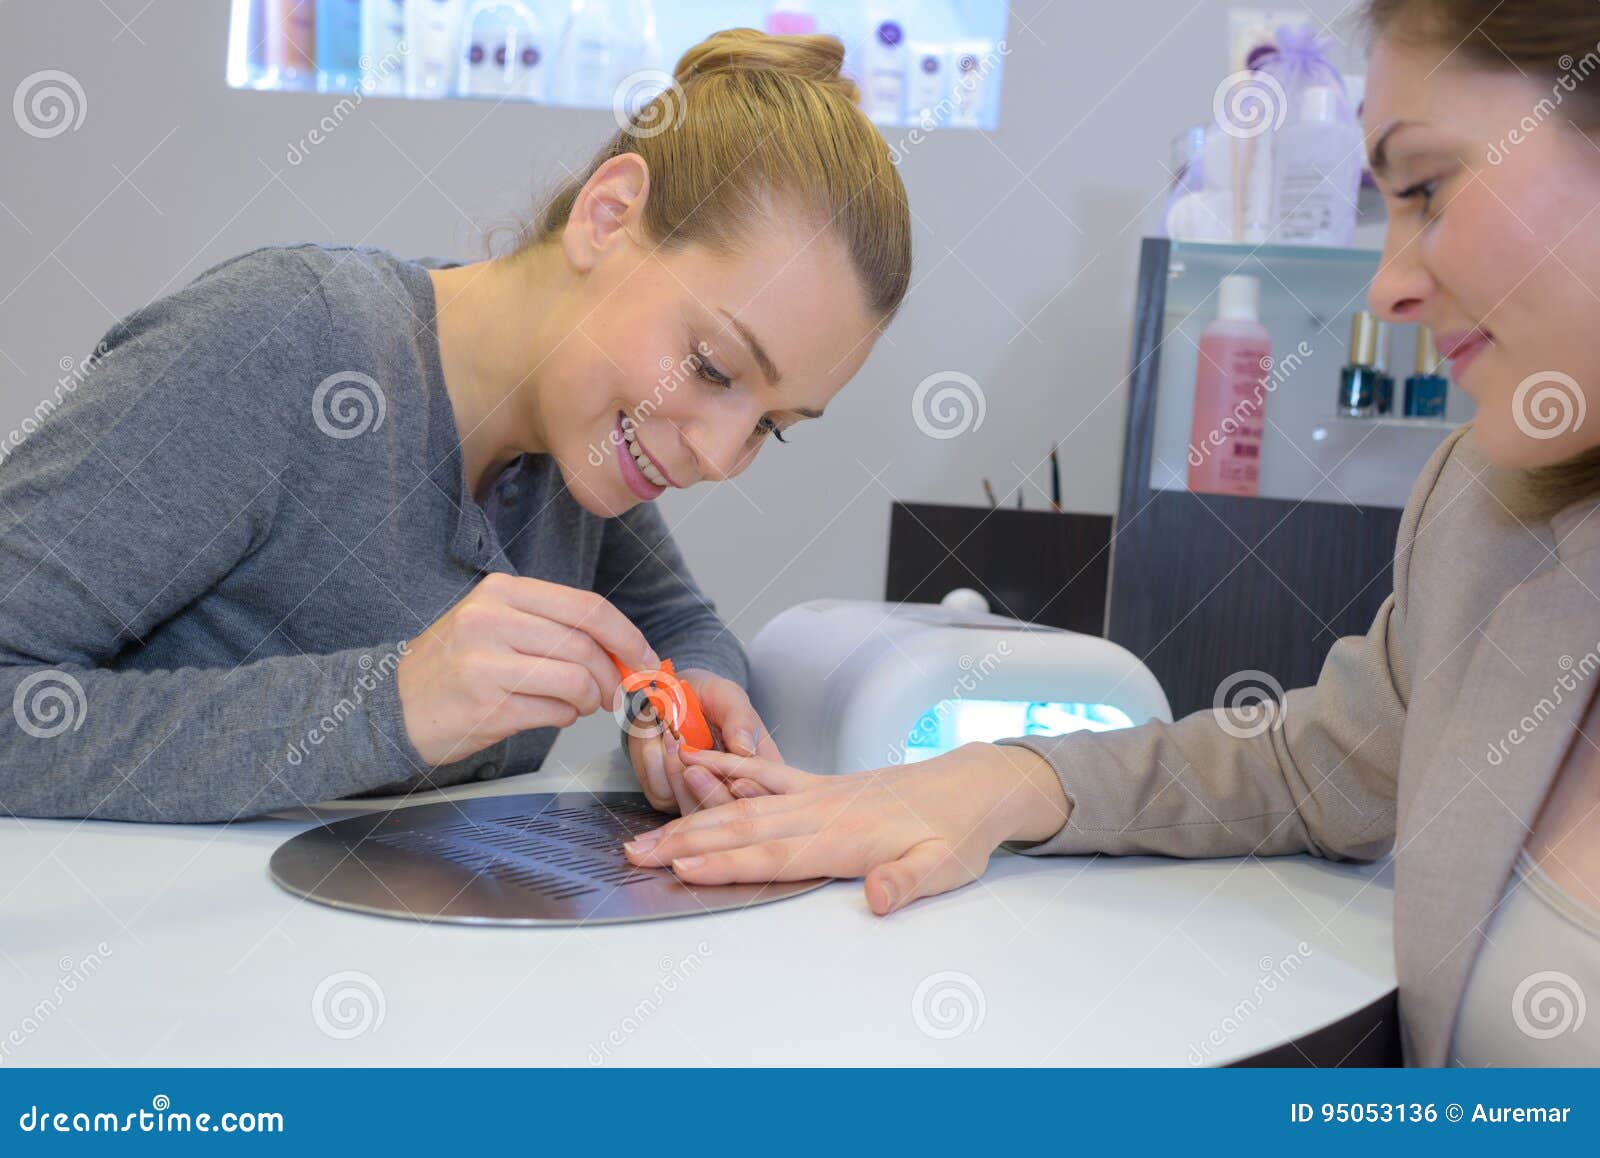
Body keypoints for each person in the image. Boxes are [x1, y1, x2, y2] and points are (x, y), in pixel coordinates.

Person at [626, 0, 1600, 1067]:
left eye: (1425, 187)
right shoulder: (1485, 518)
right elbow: (1308, 763)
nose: (1389, 284)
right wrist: (1001, 781)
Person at [0, 29, 911, 824]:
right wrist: (390, 705)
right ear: (609, 216)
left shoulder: (578, 448)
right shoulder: (289, 341)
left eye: (772, 425)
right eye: (711, 367)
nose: (717, 456)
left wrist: (687, 703)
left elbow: (679, 624)